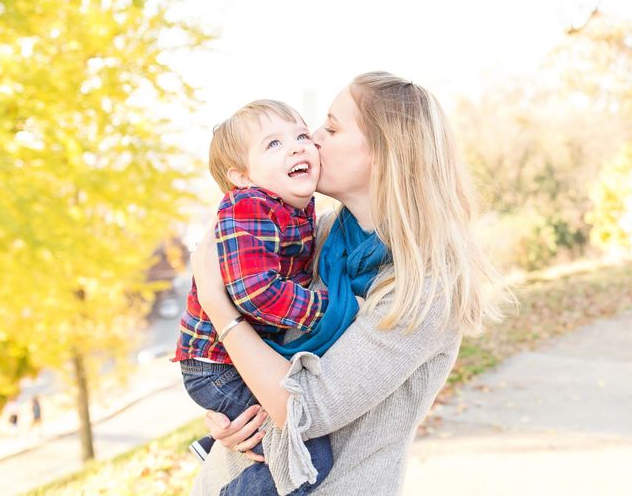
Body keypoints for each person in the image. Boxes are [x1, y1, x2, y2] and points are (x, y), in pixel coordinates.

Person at [189, 72, 510, 495]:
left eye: (331, 128)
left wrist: (218, 303)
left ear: (384, 151)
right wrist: (228, 413)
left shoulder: (426, 288)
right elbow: (252, 347)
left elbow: (303, 408)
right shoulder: (318, 236)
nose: (313, 140)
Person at [176, 98, 370, 495]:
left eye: (301, 135)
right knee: (307, 461)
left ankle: (212, 444)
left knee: (282, 438)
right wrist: (333, 311)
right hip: (215, 365)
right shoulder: (249, 207)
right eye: (274, 144)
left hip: (235, 354)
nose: (300, 146)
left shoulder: (294, 208)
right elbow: (257, 293)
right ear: (241, 176)